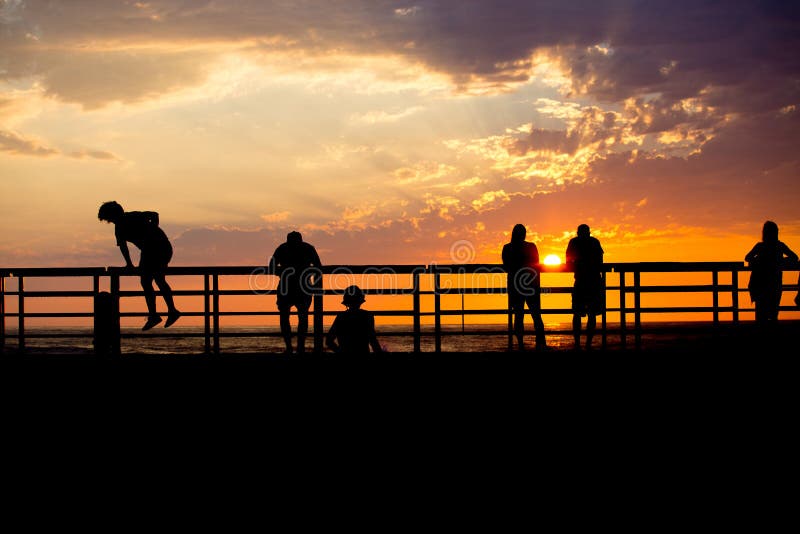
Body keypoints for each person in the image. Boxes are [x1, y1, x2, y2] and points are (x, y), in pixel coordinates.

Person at [98, 201, 181, 331]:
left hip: (159, 247)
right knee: (154, 280)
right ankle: (164, 312)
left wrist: (153, 230)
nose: (110, 221)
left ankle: (162, 313)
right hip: (149, 251)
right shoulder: (118, 228)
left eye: (109, 218)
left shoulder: (132, 216)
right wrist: (129, 264)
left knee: (151, 280)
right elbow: (123, 248)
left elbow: (154, 214)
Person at [268, 231, 322, 354]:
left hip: (286, 287)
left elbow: (271, 266)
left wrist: (282, 273)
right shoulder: (308, 248)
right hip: (303, 287)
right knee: (302, 317)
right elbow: (318, 267)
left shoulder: (282, 248)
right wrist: (313, 284)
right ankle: (300, 347)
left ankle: (289, 347)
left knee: (285, 317)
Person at [502, 224, 547, 350]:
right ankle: (541, 343)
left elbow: (506, 265)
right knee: (536, 315)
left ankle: (521, 344)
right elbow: (536, 264)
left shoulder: (507, 248)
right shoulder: (531, 246)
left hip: (515, 286)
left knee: (519, 315)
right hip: (531, 285)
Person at [745, 220, 798, 324]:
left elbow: (747, 258)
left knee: (761, 315)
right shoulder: (780, 246)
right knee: (773, 313)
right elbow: (795, 257)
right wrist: (781, 261)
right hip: (775, 283)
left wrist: (758, 261)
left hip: (761, 284)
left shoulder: (760, 246)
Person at [565, 224, 605, 350]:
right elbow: (600, 261)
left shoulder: (574, 242)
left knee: (577, 313)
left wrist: (578, 264)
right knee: (591, 313)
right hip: (593, 281)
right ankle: (587, 344)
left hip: (581, 281)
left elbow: (568, 261)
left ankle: (578, 343)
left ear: (578, 233)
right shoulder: (594, 242)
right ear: (589, 232)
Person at [326, 285, 384, 355]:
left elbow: (329, 341)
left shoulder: (341, 317)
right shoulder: (368, 316)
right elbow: (373, 341)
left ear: (346, 303)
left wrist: (340, 352)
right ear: (360, 301)